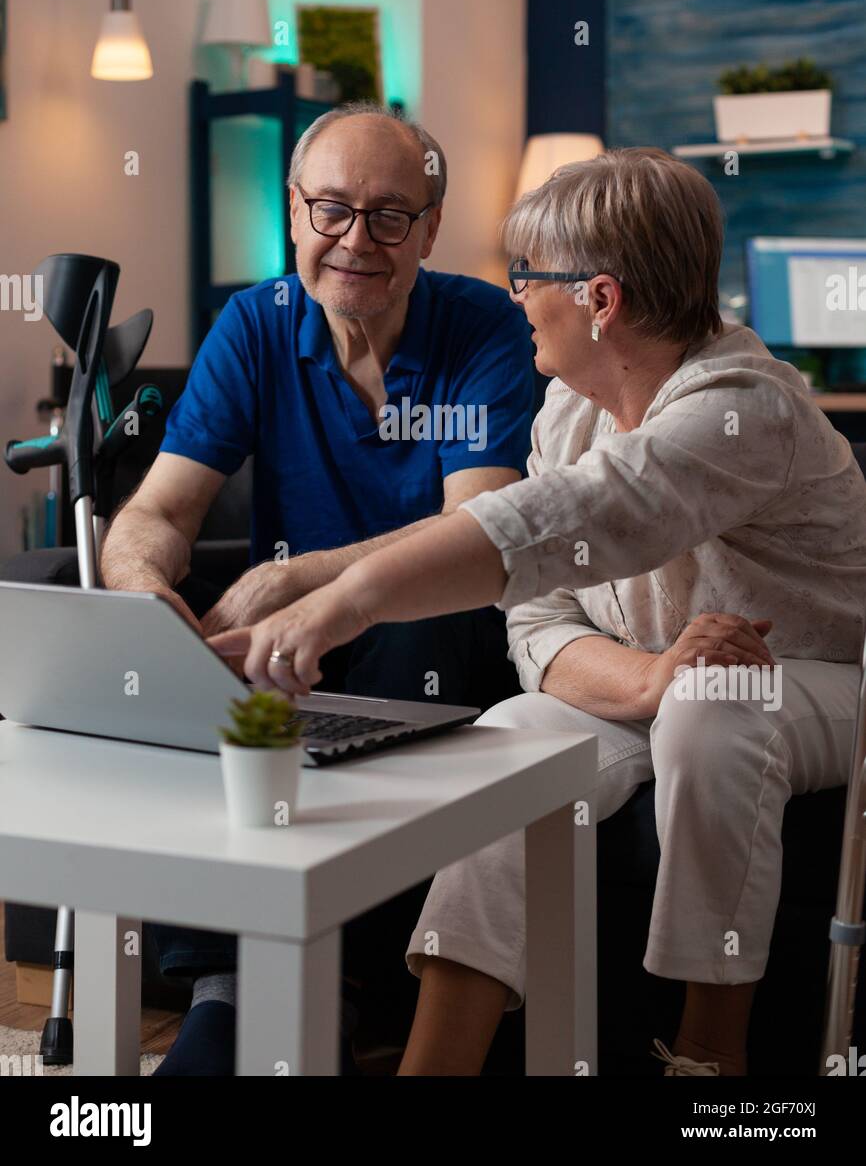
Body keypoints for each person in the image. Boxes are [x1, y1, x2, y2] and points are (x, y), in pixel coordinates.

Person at [212, 146, 866, 1077]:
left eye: (528, 279)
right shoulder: (568, 410)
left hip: (832, 681)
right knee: (514, 739)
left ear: (600, 300)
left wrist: (341, 602)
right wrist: (649, 674)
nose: (515, 298)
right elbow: (536, 618)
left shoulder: (741, 409)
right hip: (662, 686)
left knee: (713, 705)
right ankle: (436, 1063)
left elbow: (562, 522)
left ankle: (708, 1061)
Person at [2, 103, 535, 1075]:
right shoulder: (258, 322)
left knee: (425, 619)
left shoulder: (483, 326)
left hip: (430, 638)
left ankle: (339, 986)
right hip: (293, 650)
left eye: (387, 215)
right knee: (172, 650)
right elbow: (158, 513)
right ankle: (233, 987)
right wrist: (141, 596)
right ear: (292, 213)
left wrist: (295, 579)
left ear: (430, 225)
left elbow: (475, 530)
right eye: (330, 209)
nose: (354, 240)